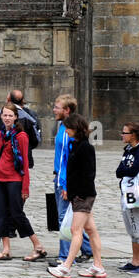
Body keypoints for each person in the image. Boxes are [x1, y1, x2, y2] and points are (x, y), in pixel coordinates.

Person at [48, 114, 105, 278]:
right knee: (90, 230)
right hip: (79, 194)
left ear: (76, 129)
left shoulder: (85, 147)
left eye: (68, 128)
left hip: (83, 194)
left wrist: (76, 193)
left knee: (75, 230)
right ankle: (98, 265)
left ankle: (66, 266)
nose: (66, 130)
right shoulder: (76, 145)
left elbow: (88, 174)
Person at [0, 102, 48, 262]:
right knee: (0, 214)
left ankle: (37, 245)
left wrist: (25, 188)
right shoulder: (0, 135)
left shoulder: (22, 136)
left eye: (10, 115)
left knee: (17, 214)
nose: (7, 118)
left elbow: (25, 165)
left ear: (16, 117)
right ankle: (6, 249)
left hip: (15, 180)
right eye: (5, 115)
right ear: (1, 116)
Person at [51, 93, 91, 263]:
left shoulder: (69, 131)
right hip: (59, 177)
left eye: (57, 107)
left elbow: (68, 160)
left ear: (67, 110)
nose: (54, 110)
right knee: (71, 218)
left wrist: (65, 184)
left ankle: (66, 257)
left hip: (65, 180)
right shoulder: (62, 127)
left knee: (64, 218)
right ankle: (87, 249)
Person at [115, 121, 139, 274]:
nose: (122, 135)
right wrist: (126, 169)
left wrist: (126, 169)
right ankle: (135, 261)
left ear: (133, 135)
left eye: (124, 133)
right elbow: (119, 171)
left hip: (138, 193)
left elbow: (133, 170)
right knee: (132, 229)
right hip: (127, 192)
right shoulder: (128, 149)